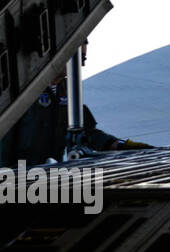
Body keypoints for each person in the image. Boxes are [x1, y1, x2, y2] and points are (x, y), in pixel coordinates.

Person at [1, 46, 152, 166]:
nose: (81, 64)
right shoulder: (20, 89)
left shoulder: (69, 91)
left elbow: (86, 132)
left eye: (83, 58)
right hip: (17, 177)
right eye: (79, 57)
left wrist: (120, 145)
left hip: (48, 174)